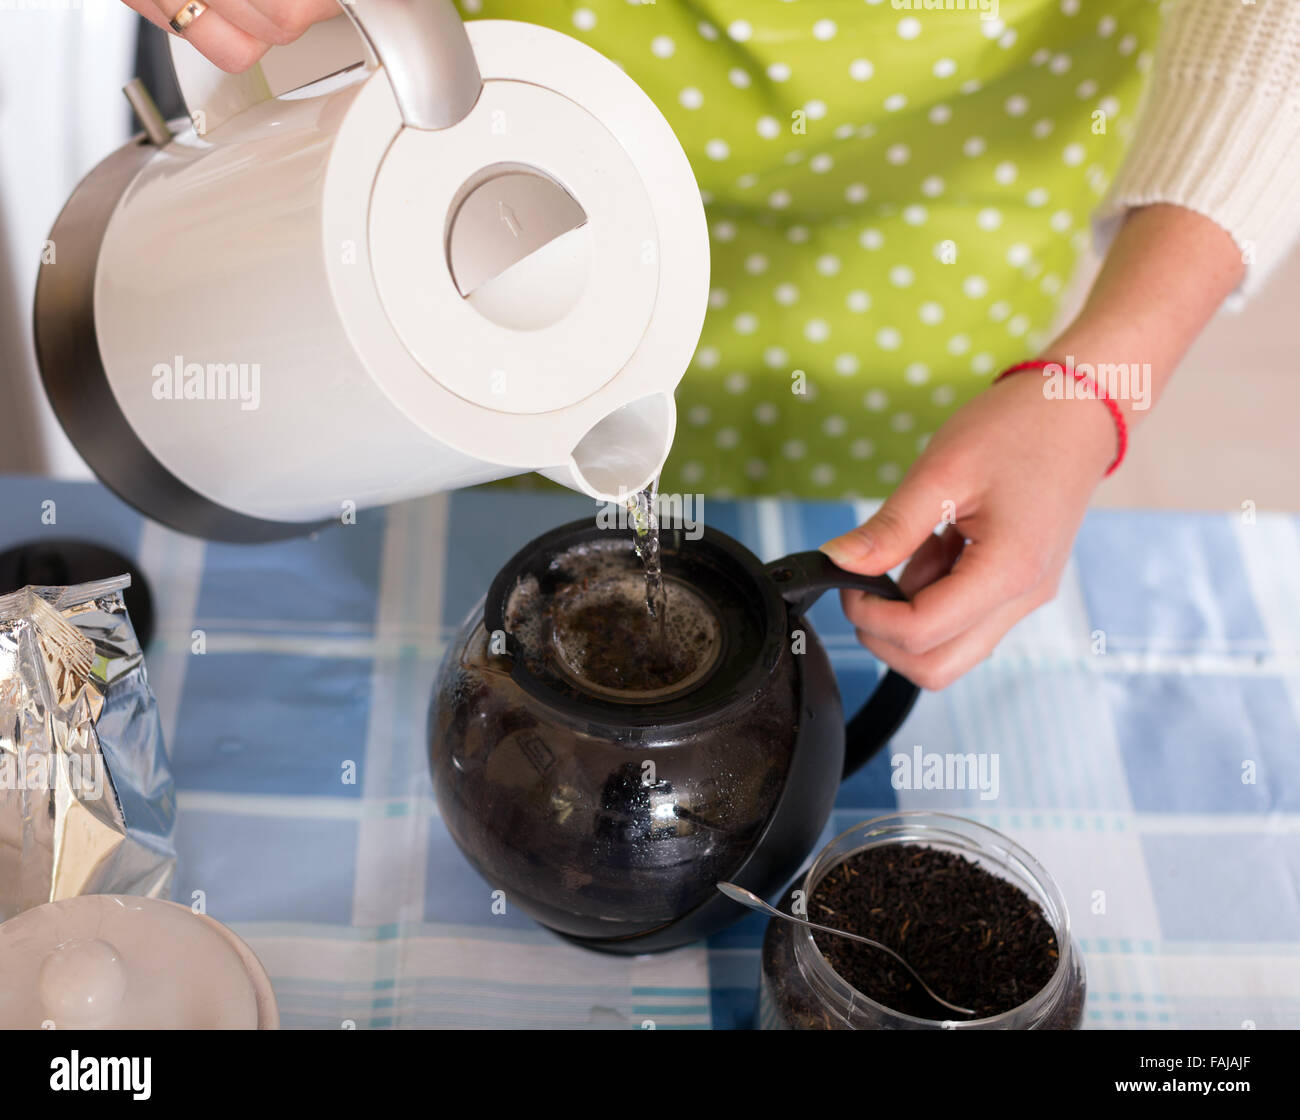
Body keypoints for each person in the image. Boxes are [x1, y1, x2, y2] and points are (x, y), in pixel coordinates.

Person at [125, 0, 1300, 688]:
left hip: (939, 223)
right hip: (503, 166)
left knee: (882, 505)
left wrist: (1087, 387)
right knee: (450, 493)